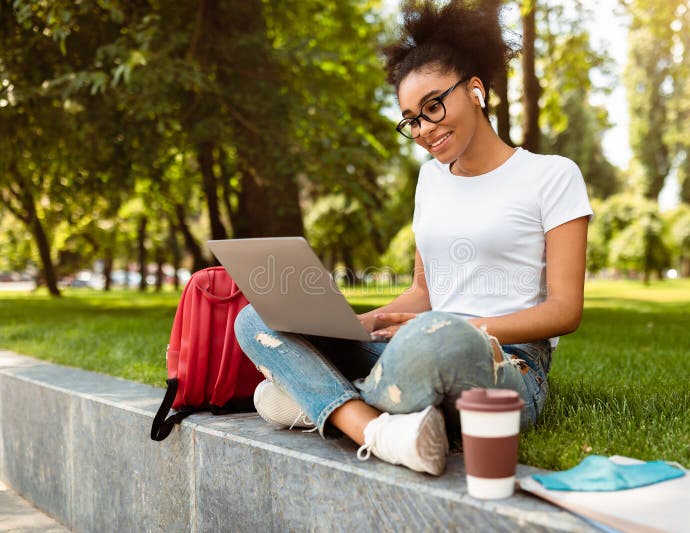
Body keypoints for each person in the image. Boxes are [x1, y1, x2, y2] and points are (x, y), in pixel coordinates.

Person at [234, 0, 592, 477]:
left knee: (432, 340)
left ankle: (316, 399)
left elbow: (565, 311)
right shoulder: (430, 181)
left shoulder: (551, 176)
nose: (425, 129)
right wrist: (361, 322)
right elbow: (425, 293)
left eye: (433, 106)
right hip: (416, 347)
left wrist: (457, 329)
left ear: (477, 90)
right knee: (255, 317)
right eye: (411, 119)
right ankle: (378, 430)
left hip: (505, 366)